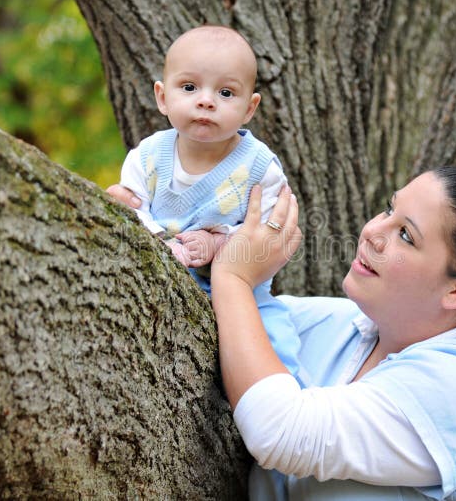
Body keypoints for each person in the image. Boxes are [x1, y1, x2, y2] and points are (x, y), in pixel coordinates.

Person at [205, 166, 456, 499]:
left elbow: (280, 432)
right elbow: (240, 320)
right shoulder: (342, 326)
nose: (372, 233)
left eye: (406, 235)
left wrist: (234, 277)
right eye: (387, 210)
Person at [106, 25, 310, 386]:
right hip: (159, 279)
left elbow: (267, 234)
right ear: (162, 97)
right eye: (189, 87)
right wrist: (159, 243)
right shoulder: (148, 157)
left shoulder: (260, 168)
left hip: (242, 294)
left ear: (250, 108)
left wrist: (220, 244)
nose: (206, 100)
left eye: (226, 92)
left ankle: (288, 401)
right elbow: (131, 209)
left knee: (276, 337)